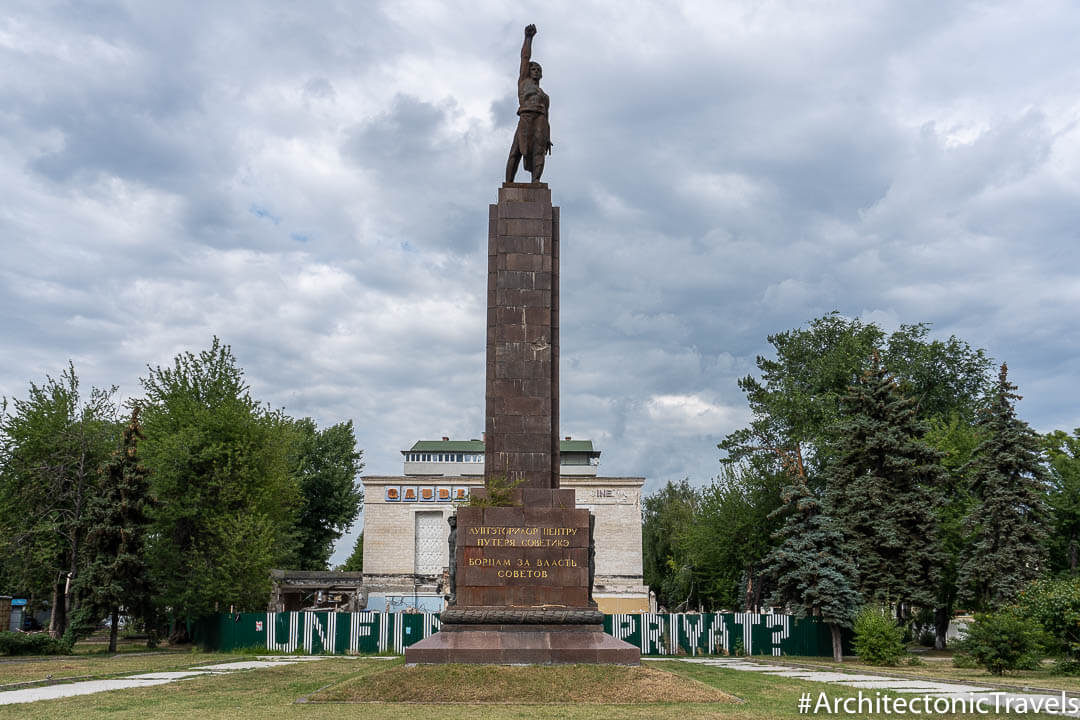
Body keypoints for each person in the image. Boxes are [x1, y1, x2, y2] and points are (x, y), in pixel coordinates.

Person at [505, 24, 551, 183]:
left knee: (539, 151)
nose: (536, 71)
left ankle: (536, 180)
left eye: (539, 70)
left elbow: (548, 118)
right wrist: (528, 38)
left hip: (540, 121)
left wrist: (548, 137)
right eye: (533, 69)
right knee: (516, 151)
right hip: (526, 117)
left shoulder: (545, 96)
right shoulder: (524, 82)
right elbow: (525, 58)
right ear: (528, 72)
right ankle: (509, 183)